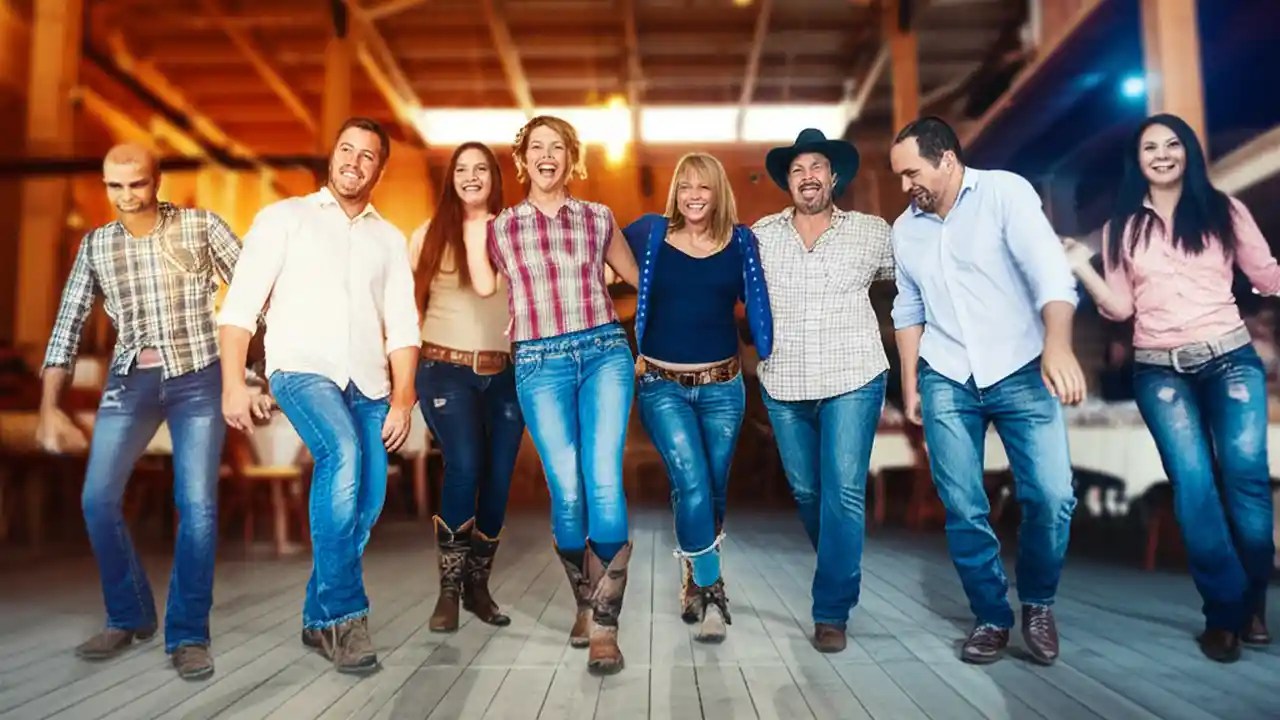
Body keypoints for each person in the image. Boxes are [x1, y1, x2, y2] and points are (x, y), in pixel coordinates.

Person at [37, 143, 258, 680]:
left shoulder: (202, 227)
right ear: (105, 186)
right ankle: (128, 613)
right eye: (115, 185)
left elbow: (255, 295)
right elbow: (65, 330)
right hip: (131, 379)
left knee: (197, 506)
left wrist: (257, 374)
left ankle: (188, 635)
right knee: (96, 499)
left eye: (135, 183)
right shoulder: (96, 247)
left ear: (155, 181)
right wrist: (49, 409)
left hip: (199, 376)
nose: (125, 195)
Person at [1063, 113, 1278, 662]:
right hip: (1160, 372)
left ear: (1188, 153)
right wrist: (1082, 268)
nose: (1161, 154)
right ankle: (1224, 615)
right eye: (1149, 147)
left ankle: (1252, 601)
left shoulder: (1224, 210)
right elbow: (1120, 308)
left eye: (1172, 144)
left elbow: (1266, 274)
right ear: (1138, 161)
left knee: (1247, 483)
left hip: (1231, 361)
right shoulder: (1121, 230)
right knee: (1193, 488)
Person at [218, 117, 420, 675]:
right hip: (301, 370)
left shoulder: (389, 239)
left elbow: (403, 328)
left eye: (367, 156)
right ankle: (346, 618)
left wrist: (403, 398)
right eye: (345, 150)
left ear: (380, 168)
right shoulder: (284, 219)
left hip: (371, 383)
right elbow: (238, 310)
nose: (353, 162)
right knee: (343, 454)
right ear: (331, 156)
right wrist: (234, 383)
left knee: (369, 497)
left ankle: (316, 612)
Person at [889, 116, 1083, 666]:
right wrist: (911, 384)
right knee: (963, 505)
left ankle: (1038, 602)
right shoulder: (906, 231)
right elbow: (908, 309)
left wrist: (1059, 344)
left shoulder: (1004, 193)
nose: (905, 188)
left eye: (911, 174)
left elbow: (1050, 271)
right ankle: (992, 616)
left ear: (946, 158)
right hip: (946, 373)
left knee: (1051, 495)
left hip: (1021, 366)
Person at [469, 115, 640, 675]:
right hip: (538, 361)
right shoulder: (500, 227)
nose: (548, 156)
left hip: (602, 352)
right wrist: (472, 214)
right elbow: (481, 285)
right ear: (523, 161)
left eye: (558, 147)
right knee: (566, 491)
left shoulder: (597, 218)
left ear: (572, 157)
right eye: (537, 148)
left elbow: (643, 280)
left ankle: (606, 628)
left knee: (604, 477)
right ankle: (585, 603)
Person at [622, 152, 773, 643]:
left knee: (712, 488)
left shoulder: (742, 241)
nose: (693, 195)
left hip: (723, 388)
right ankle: (711, 593)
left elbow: (761, 303)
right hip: (662, 385)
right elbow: (594, 251)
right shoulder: (650, 236)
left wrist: (772, 350)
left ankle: (694, 574)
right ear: (675, 191)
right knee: (690, 480)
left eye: (703, 187)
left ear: (718, 193)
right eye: (685, 185)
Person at [751, 128, 892, 653]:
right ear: (788, 181)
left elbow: (918, 281)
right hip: (784, 381)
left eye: (817, 168)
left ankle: (831, 609)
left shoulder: (873, 232)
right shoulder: (760, 236)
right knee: (810, 494)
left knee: (844, 493)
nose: (808, 177)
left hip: (853, 376)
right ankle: (840, 565)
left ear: (834, 176)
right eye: (797, 170)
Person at [409, 142, 523, 633]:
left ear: (495, 178)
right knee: (466, 466)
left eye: (481, 169)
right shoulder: (426, 235)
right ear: (450, 178)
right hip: (445, 369)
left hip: (506, 374)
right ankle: (449, 593)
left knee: (497, 481)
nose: (471, 176)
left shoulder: (515, 232)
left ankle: (478, 587)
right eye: (462, 169)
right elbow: (407, 312)